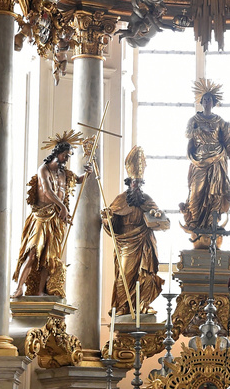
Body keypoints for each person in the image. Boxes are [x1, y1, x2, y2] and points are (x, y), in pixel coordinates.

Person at [12, 131, 92, 298]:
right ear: (57, 152)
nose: (67, 159)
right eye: (65, 155)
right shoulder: (44, 169)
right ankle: (19, 288)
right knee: (33, 252)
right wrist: (62, 206)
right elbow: (47, 191)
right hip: (41, 217)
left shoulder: (64, 173)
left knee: (50, 257)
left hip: (56, 219)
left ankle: (41, 291)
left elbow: (78, 180)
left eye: (69, 156)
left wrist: (88, 173)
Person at [102, 146, 169, 316]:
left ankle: (142, 306)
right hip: (126, 243)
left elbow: (161, 218)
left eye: (139, 183)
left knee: (146, 275)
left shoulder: (146, 199)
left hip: (145, 241)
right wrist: (108, 218)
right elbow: (111, 225)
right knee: (124, 275)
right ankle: (123, 307)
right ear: (129, 183)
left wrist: (157, 215)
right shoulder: (120, 199)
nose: (137, 186)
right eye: (134, 183)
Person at [179, 79, 230, 246]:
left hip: (216, 160)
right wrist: (200, 129)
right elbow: (187, 134)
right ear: (201, 102)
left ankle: (211, 224)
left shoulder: (220, 121)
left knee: (214, 194)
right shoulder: (194, 119)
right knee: (196, 193)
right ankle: (195, 224)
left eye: (210, 99)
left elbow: (229, 141)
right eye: (205, 99)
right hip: (199, 160)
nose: (207, 102)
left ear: (214, 103)